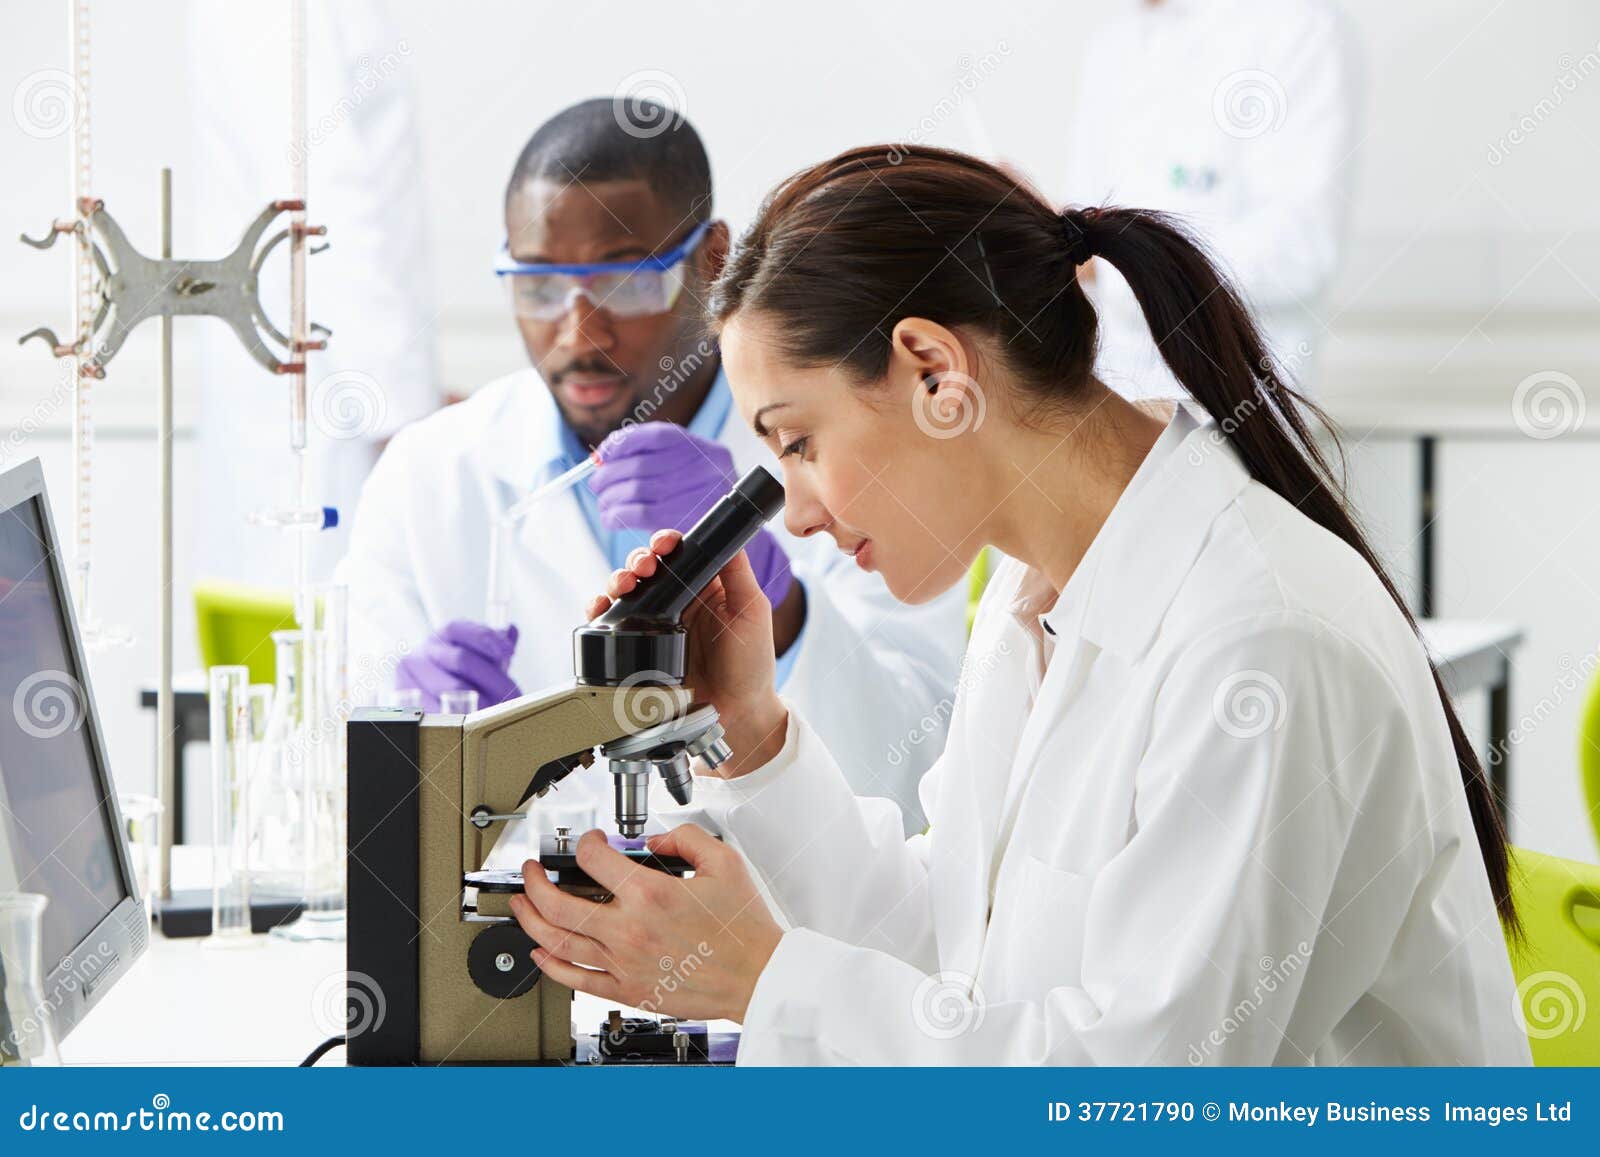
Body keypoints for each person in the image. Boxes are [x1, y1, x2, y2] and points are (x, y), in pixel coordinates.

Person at [507, 145, 1530, 1065]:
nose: (800, 515)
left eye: (798, 443)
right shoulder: (1033, 600)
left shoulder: (1254, 641)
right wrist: (751, 736)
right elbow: (958, 956)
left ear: (934, 370)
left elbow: (1138, 1095)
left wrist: (765, 978)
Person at [337, 102, 967, 830]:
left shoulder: (861, 446)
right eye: (539, 287)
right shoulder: (431, 474)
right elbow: (331, 798)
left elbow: (922, 778)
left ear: (712, 260)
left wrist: (782, 607)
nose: (578, 331)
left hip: (775, 929)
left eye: (625, 281)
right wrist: (410, 735)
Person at [1065, 0, 1358, 400]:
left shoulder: (1297, 27)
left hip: (1237, 411)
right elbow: (1089, 212)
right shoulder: (1113, 42)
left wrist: (1109, 264)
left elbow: (1298, 249)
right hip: (1109, 397)